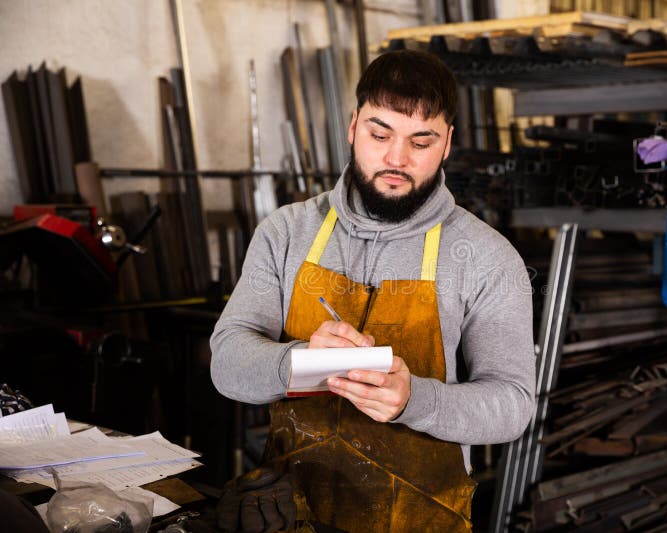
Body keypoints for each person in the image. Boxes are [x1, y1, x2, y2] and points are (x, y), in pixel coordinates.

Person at [210, 49, 535, 532]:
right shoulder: (287, 232)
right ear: (353, 126)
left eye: (421, 141)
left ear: (447, 143)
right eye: (379, 134)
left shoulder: (488, 257)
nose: (396, 159)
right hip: (290, 515)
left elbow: (512, 405)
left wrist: (414, 401)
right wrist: (299, 360)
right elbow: (226, 364)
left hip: (421, 521)